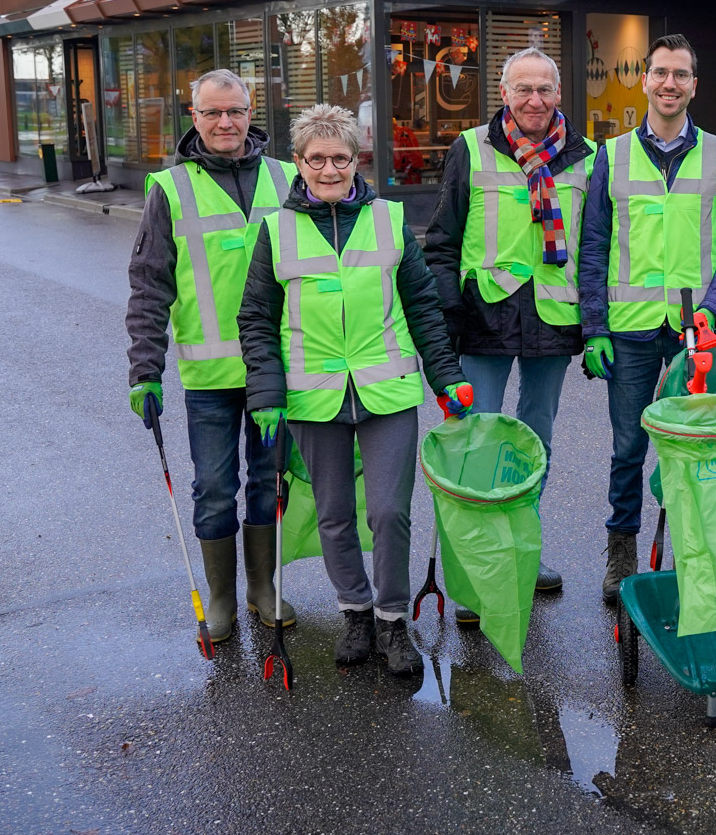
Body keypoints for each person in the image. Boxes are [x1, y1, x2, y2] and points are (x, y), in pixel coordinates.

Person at [237, 105, 471, 676]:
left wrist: (448, 379)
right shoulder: (275, 229)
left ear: (356, 160)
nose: (328, 169)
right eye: (316, 159)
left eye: (339, 158)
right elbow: (257, 319)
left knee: (390, 512)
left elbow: (421, 306)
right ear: (298, 163)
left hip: (385, 390)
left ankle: (393, 621)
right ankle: (356, 612)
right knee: (334, 513)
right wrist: (265, 396)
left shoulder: (390, 221)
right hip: (313, 396)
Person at [577, 34, 716, 604]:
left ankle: (695, 552)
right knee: (629, 447)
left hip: (694, 334)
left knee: (696, 449)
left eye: (681, 74)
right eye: (660, 73)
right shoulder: (612, 155)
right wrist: (594, 328)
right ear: (646, 80)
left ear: (693, 85)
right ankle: (620, 551)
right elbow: (594, 246)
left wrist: (714, 307)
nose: (670, 83)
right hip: (629, 330)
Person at [125, 68, 296, 644]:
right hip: (210, 376)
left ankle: (262, 587)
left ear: (251, 113)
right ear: (193, 117)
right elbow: (150, 286)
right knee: (215, 487)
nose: (226, 123)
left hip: (277, 370)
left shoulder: (289, 178)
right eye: (212, 113)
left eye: (236, 111)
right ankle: (221, 596)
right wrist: (144, 370)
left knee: (270, 483)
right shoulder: (169, 189)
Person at [421, 47, 593, 612]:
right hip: (484, 313)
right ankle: (475, 568)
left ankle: (522, 546)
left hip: (552, 315)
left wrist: (597, 325)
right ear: (504, 94)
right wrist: (448, 317)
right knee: (477, 440)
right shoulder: (470, 149)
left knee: (536, 439)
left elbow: (597, 248)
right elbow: (442, 242)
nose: (534, 100)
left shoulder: (586, 157)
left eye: (544, 88)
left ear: (559, 93)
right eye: (523, 89)